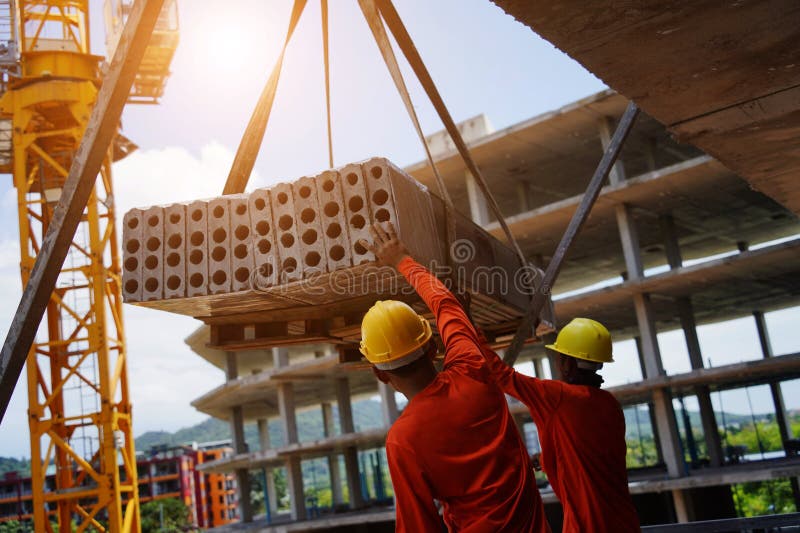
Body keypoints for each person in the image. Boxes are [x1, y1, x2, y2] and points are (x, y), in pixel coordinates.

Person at [359, 223, 549, 532]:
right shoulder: (472, 369)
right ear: (432, 345)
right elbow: (445, 303)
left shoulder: (404, 441)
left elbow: (418, 527)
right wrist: (400, 259)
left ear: (379, 373)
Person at [468, 303, 640, 533]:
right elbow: (588, 451)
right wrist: (545, 457)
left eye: (559, 358)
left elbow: (499, 375)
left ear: (568, 364)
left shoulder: (558, 397)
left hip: (588, 526)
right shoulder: (609, 405)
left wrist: (468, 323)